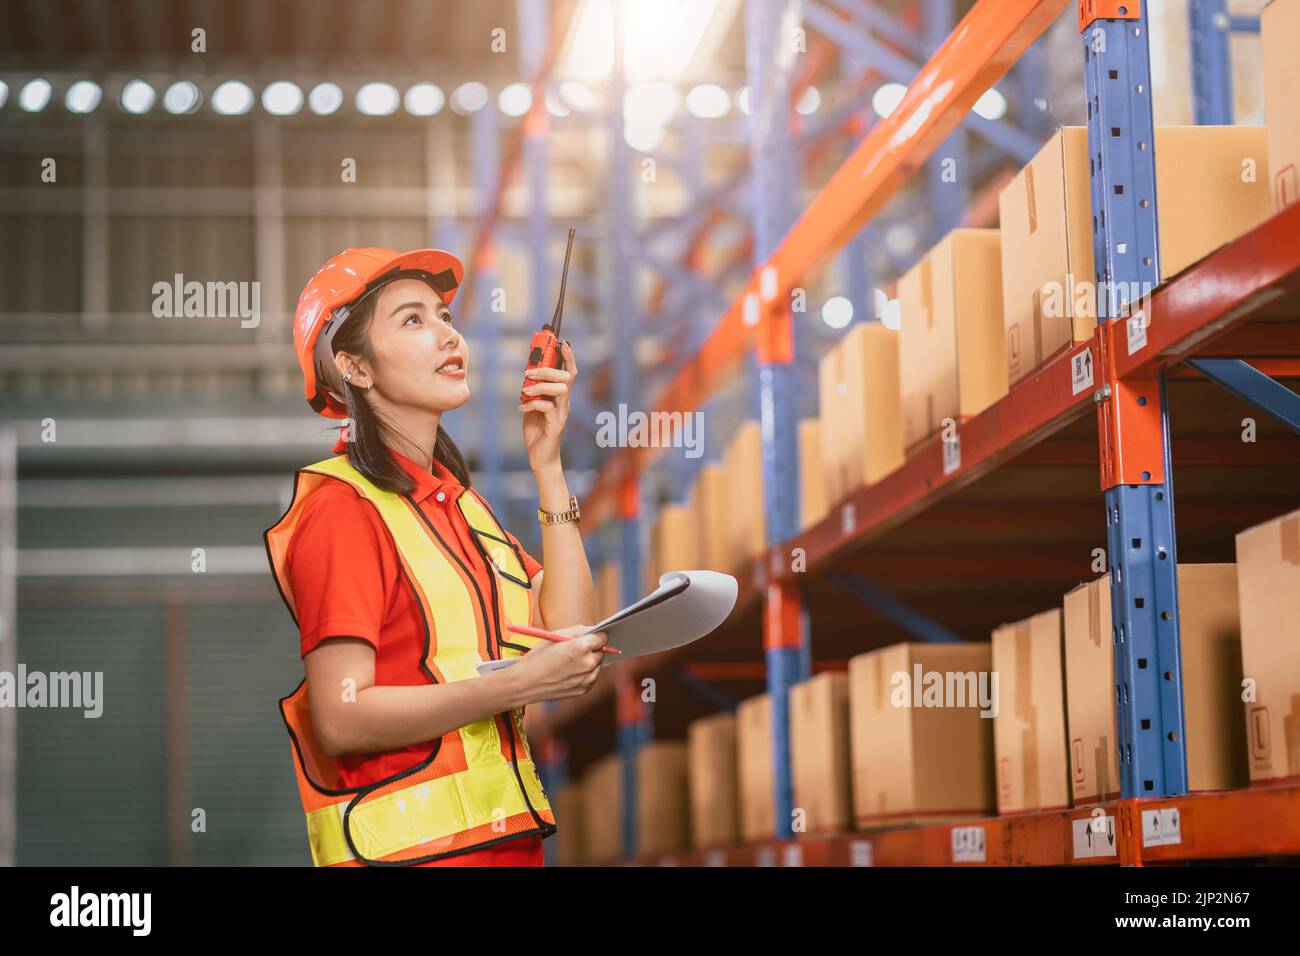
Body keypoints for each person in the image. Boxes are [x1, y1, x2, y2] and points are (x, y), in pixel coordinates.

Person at [263, 246, 606, 867]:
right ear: (355, 368)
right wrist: (518, 685)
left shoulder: (462, 508)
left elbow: (568, 630)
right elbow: (340, 716)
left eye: (444, 315)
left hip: (510, 851)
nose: (448, 334)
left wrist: (548, 468)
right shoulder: (342, 510)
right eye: (413, 320)